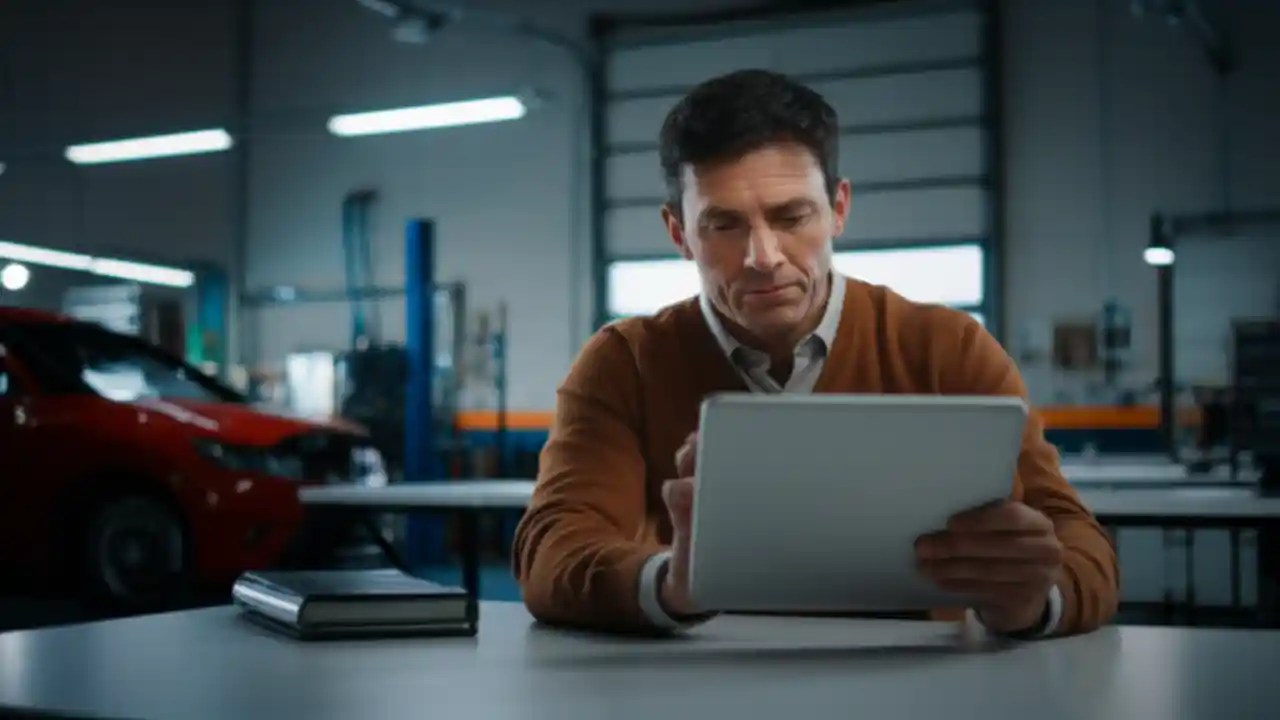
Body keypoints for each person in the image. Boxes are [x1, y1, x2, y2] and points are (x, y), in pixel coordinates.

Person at [513, 69, 1117, 637]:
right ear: (679, 234)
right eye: (724, 225)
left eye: (791, 216)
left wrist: (1034, 600)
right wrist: (672, 582)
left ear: (838, 209)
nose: (763, 256)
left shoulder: (945, 348)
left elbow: (1083, 547)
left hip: (924, 686)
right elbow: (551, 550)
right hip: (695, 684)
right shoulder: (625, 363)